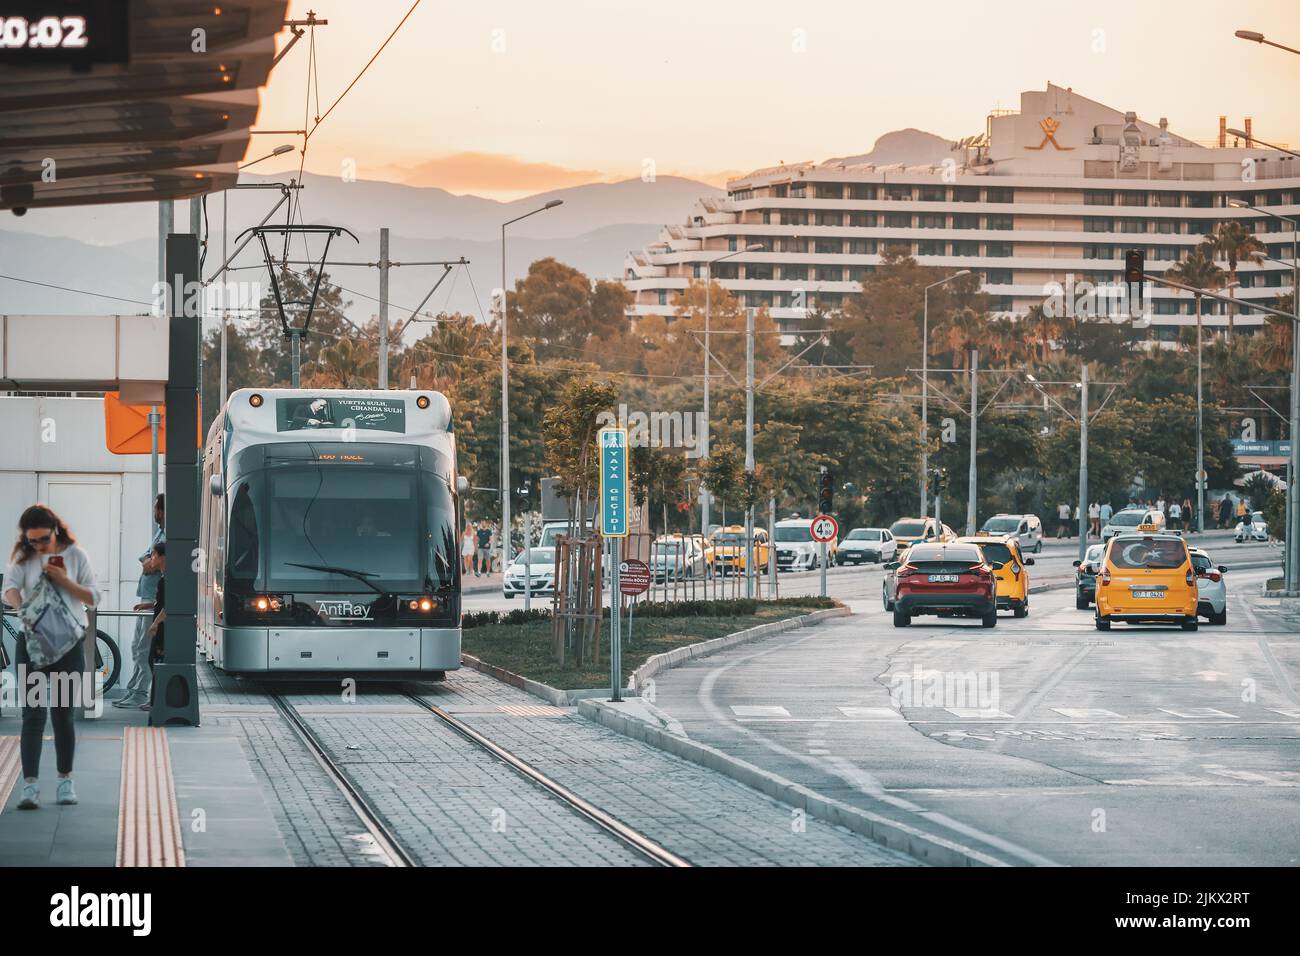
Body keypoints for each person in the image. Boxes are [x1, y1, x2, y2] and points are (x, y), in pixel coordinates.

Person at [2, 504, 98, 810]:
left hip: (67, 648)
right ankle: (29, 786)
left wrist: (64, 580)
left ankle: (64, 780)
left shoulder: (76, 555)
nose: (39, 546)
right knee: (32, 715)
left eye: (43, 539)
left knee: (62, 714)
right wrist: (21, 606)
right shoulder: (23, 558)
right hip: (32, 646)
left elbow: (94, 597)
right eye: (32, 541)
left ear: (55, 529)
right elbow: (9, 589)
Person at [115, 494, 164, 709]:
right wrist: (146, 560)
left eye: (156, 508)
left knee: (144, 648)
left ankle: (141, 692)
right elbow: (143, 558)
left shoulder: (167, 534)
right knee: (137, 646)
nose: (153, 512)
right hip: (147, 597)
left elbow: (149, 563)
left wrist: (147, 561)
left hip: (154, 596)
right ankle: (134, 689)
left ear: (162, 511)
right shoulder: (159, 532)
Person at [144, 543, 166, 711]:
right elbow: (162, 604)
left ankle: (157, 701)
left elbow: (170, 606)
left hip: (164, 629)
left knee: (155, 661)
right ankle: (155, 700)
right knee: (153, 661)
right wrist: (148, 606)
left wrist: (155, 623)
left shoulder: (167, 579)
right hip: (162, 626)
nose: (151, 559)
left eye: (153, 555)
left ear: (162, 557)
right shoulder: (164, 578)